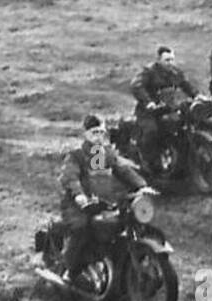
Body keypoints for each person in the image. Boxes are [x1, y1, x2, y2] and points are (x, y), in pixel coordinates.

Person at [57, 114, 151, 283]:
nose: (98, 136)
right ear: (85, 135)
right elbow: (70, 177)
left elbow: (123, 169)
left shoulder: (105, 154)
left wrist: (142, 185)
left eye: (101, 132)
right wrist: (79, 195)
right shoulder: (76, 155)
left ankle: (125, 267)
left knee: (127, 223)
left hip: (104, 203)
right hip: (77, 206)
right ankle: (70, 270)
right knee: (82, 227)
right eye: (94, 132)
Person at [130, 46, 197, 173]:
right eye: (167, 60)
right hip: (149, 111)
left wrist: (196, 95)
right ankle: (148, 161)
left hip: (169, 108)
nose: (170, 63)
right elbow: (136, 86)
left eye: (172, 60)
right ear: (158, 60)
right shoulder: (148, 71)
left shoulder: (175, 72)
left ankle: (184, 159)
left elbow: (185, 84)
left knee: (186, 126)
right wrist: (148, 102)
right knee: (152, 131)